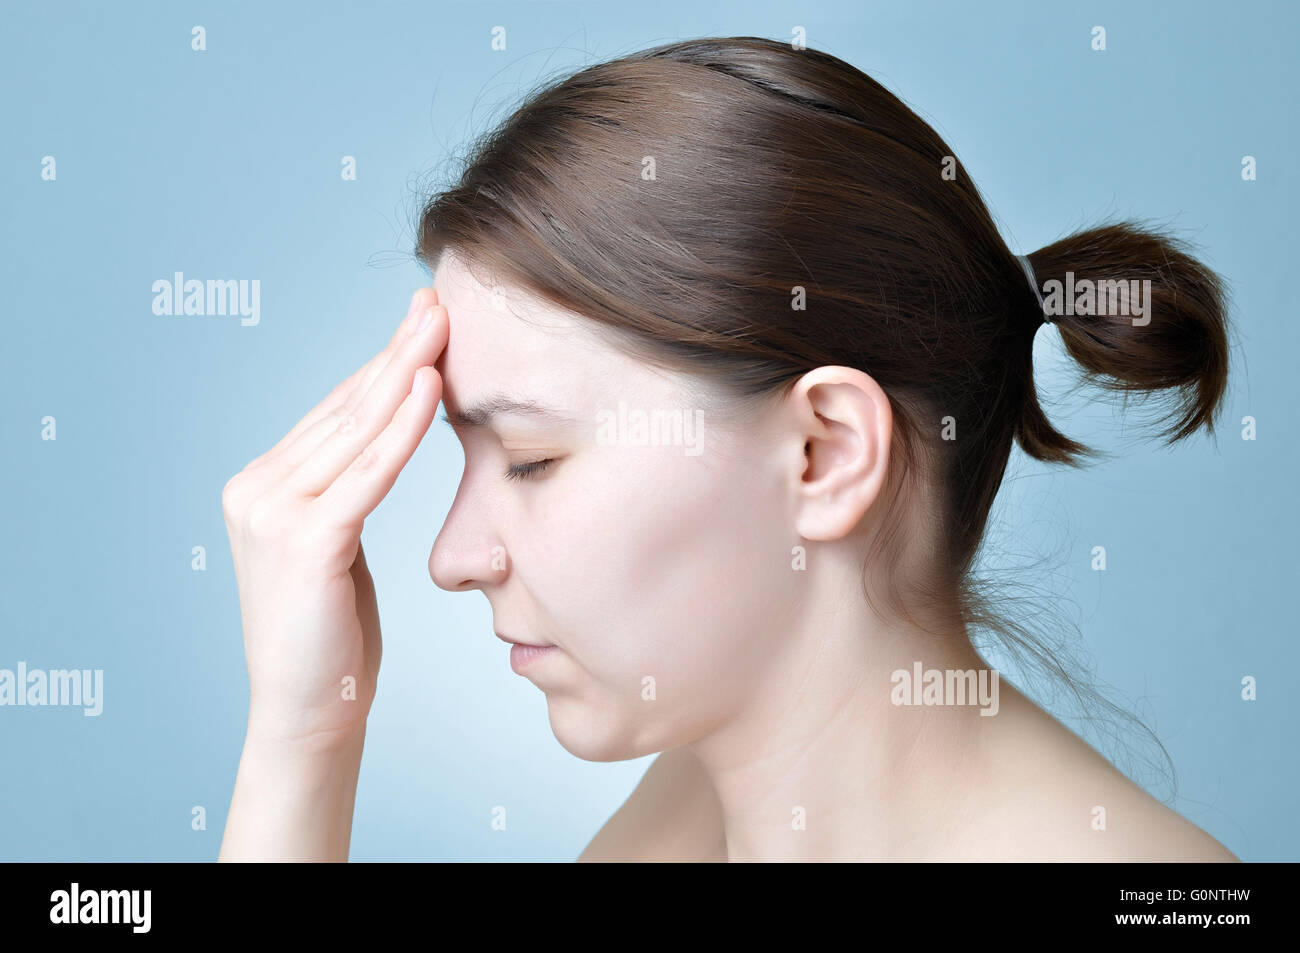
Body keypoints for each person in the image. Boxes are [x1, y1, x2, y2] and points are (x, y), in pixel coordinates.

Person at [219, 36, 1240, 862]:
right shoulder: (687, 816)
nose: (449, 556)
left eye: (530, 457)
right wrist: (306, 732)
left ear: (822, 453)